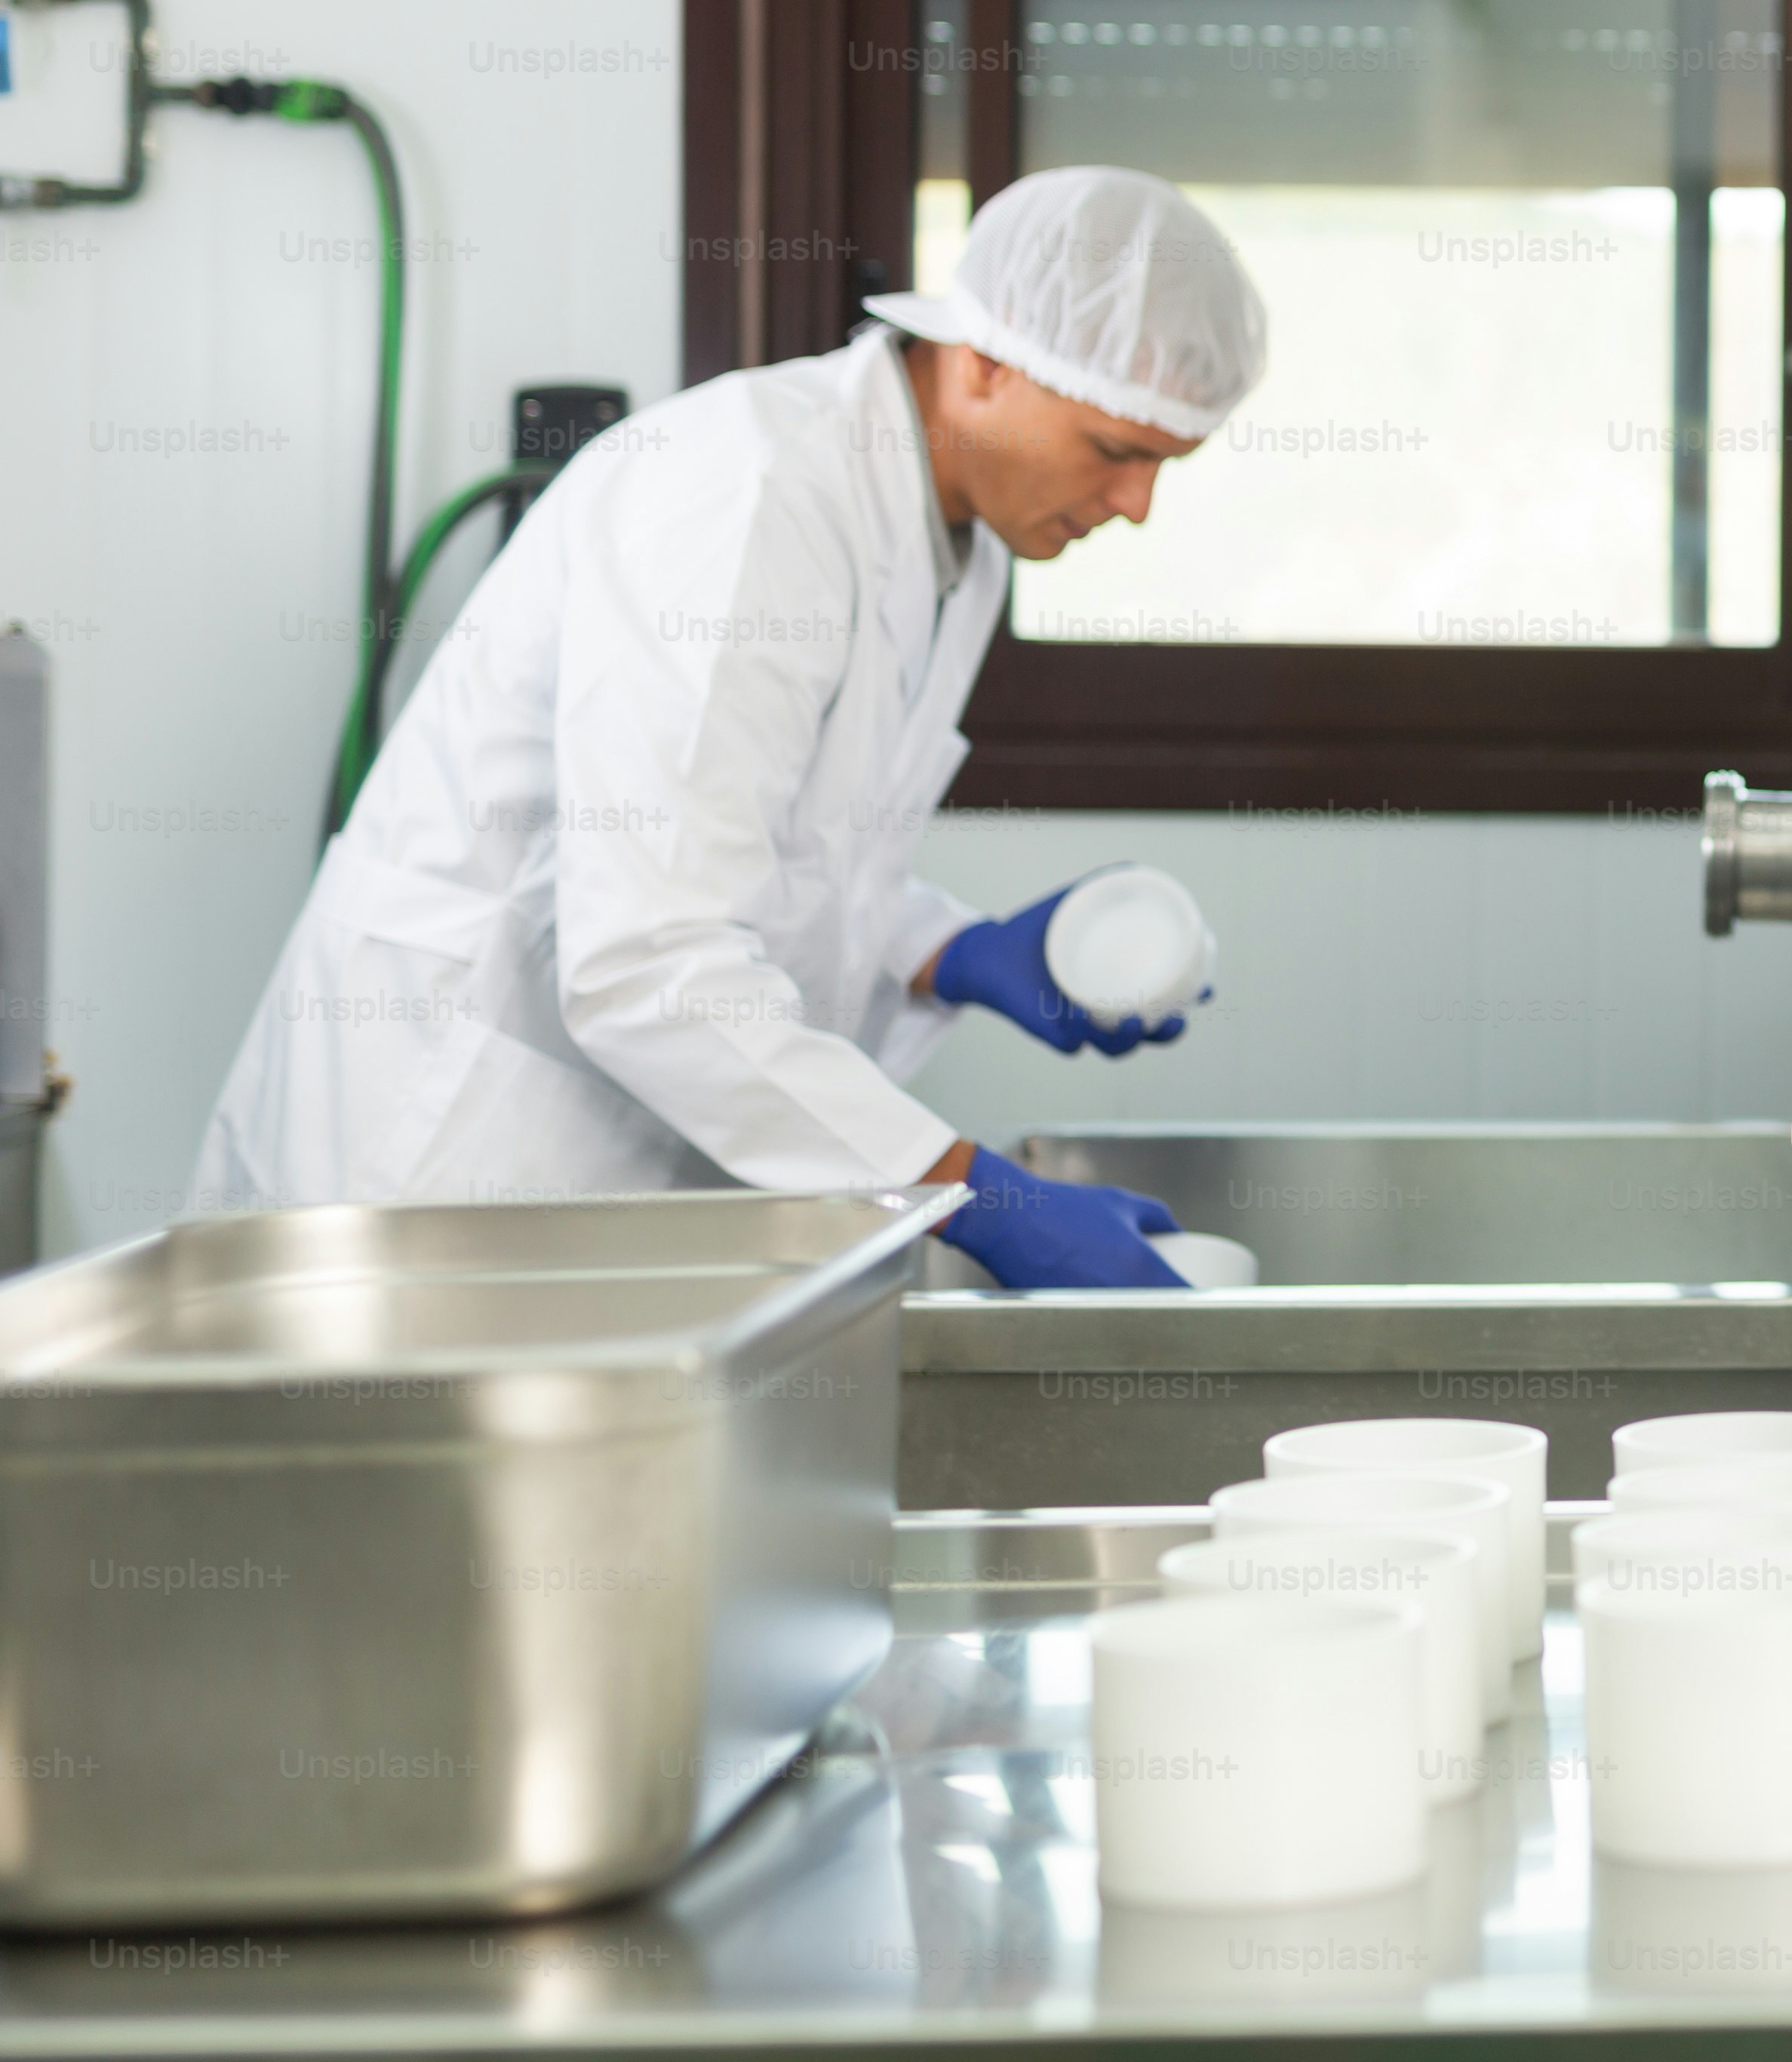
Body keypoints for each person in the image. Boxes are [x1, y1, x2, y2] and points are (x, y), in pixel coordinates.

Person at [191, 166, 1259, 1289]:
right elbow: (648, 959)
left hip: (596, 1166)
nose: (1137, 506)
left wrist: (948, 953)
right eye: (1116, 449)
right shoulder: (750, 495)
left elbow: (773, 843)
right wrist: (960, 1189)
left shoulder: (968, 541)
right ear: (985, 363)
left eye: (1164, 465)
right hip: (436, 1148)